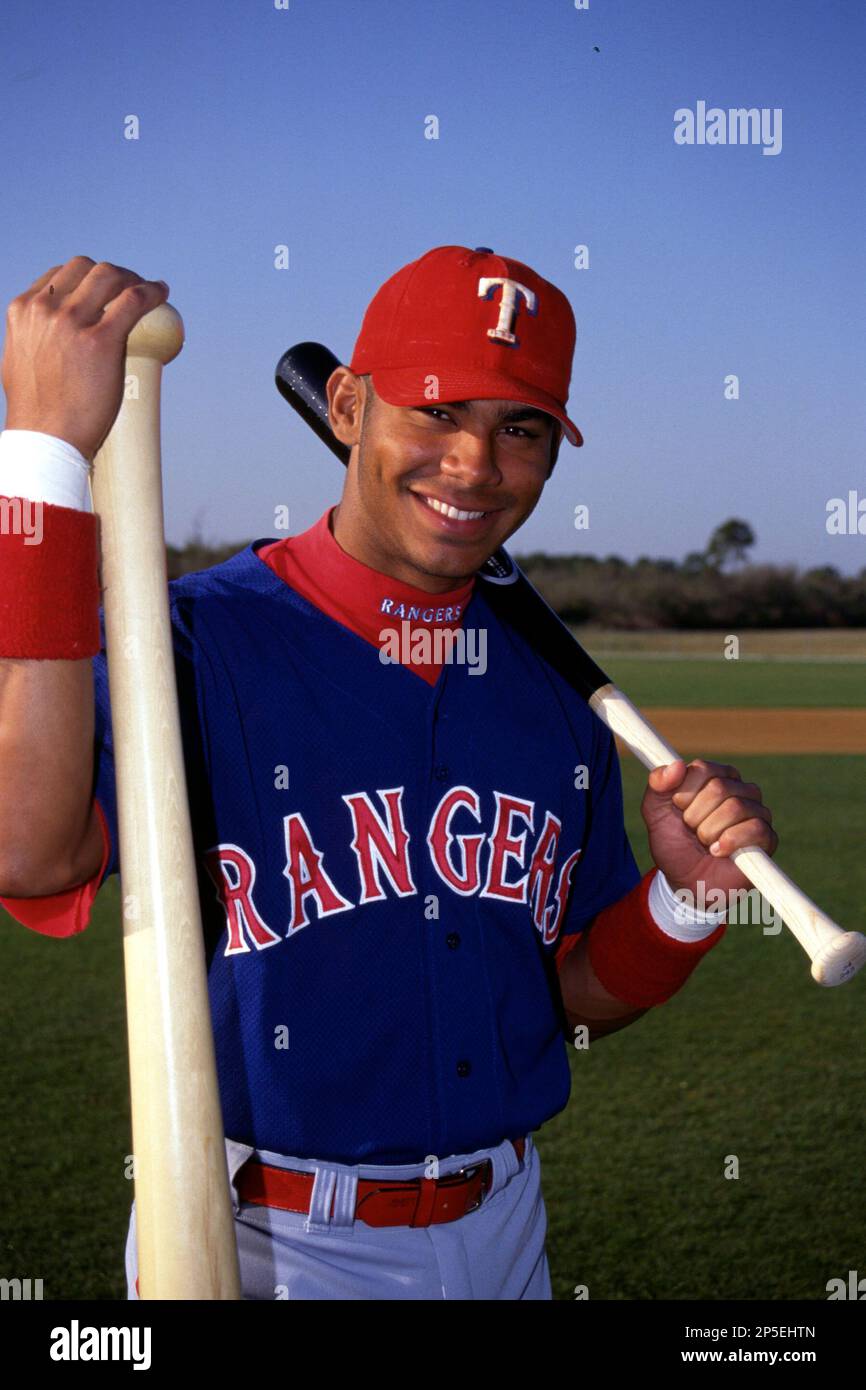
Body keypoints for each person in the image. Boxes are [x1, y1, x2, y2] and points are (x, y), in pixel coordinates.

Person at [0, 245, 778, 1300]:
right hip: (259, 1241)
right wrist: (42, 450)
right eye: (436, 410)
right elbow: (27, 850)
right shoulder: (181, 644)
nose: (473, 465)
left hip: (505, 1228)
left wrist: (681, 903)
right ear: (346, 405)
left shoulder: (561, 699)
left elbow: (567, 1003)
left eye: (519, 428)